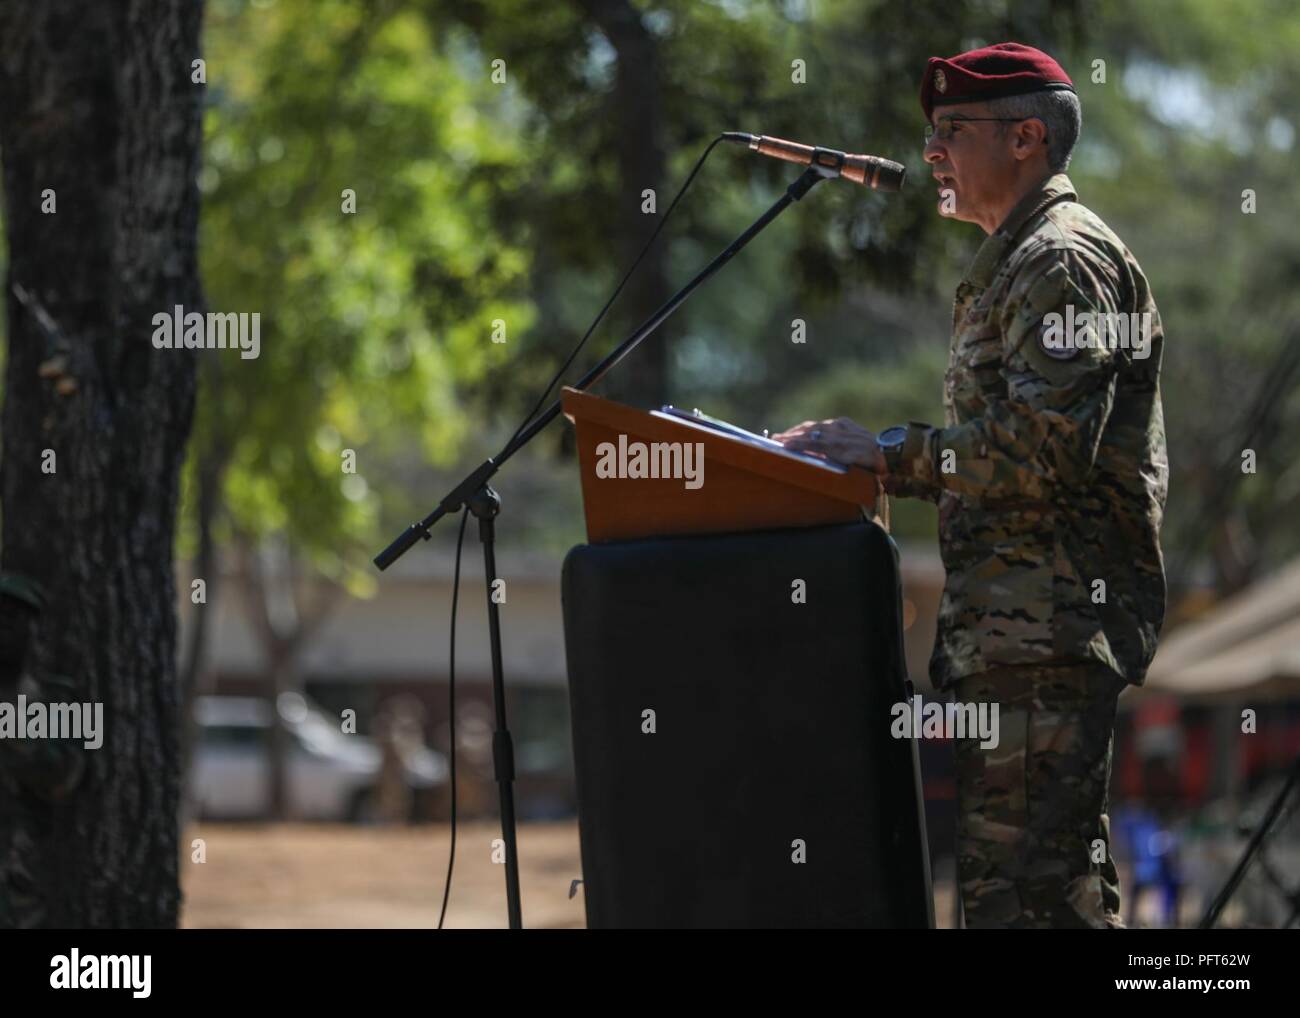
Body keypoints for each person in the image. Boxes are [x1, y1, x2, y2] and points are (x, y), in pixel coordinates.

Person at [775, 42, 1167, 928]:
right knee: (1029, 901)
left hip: (1047, 634)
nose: (932, 154)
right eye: (931, 133)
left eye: (952, 129)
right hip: (1015, 637)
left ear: (1026, 137)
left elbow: (1042, 451)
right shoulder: (1020, 259)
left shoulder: (1061, 261)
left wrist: (888, 455)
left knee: (1030, 904)